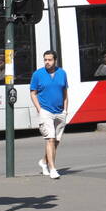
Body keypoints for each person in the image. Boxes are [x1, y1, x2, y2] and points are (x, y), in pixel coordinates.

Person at [30, 50, 68, 178]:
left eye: (50, 60)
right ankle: (52, 169)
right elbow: (33, 93)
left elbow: (65, 93)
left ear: (55, 60)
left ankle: (44, 161)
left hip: (60, 111)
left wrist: (65, 110)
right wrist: (39, 109)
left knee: (56, 141)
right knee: (50, 139)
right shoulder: (38, 74)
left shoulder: (62, 73)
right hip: (45, 111)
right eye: (45, 60)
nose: (47, 62)